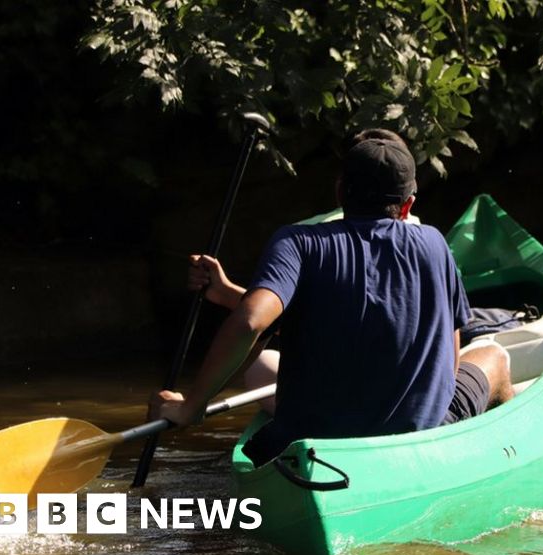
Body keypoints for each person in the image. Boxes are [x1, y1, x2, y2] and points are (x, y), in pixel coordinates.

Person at [152, 129, 513, 466]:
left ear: (340, 192)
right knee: (494, 357)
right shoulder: (435, 244)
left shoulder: (296, 243)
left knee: (267, 365)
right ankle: (502, 461)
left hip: (317, 442)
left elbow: (252, 320)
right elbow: (448, 367)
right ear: (407, 206)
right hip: (413, 439)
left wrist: (193, 406)